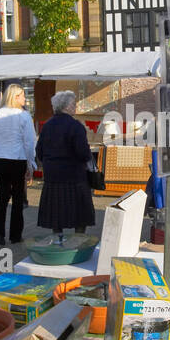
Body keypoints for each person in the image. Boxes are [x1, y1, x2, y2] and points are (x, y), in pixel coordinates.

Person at [36, 90, 96, 240]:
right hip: (74, 176)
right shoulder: (76, 126)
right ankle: (78, 239)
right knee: (80, 212)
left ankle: (57, 238)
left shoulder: (47, 126)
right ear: (66, 106)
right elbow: (83, 153)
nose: (75, 107)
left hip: (53, 176)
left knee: (56, 210)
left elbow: (39, 151)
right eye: (73, 104)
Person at [0, 84, 37, 246]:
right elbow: (29, 142)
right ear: (15, 97)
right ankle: (15, 235)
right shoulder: (24, 116)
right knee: (18, 198)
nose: (24, 98)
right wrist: (31, 164)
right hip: (17, 159)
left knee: (2, 197)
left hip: (0, 159)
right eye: (22, 95)